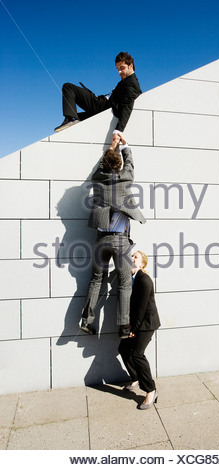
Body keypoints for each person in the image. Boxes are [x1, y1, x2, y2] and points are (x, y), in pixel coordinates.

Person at [80, 134, 146, 339]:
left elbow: (100, 169)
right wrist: (125, 145)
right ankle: (124, 328)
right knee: (125, 282)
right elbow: (130, 165)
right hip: (119, 241)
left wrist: (111, 147)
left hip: (100, 240)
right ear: (118, 167)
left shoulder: (98, 180)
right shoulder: (124, 179)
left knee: (95, 280)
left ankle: (86, 321)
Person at [54, 51, 142, 138]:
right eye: (118, 69)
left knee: (68, 87)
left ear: (131, 66)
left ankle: (72, 119)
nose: (119, 72)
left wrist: (118, 130)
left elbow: (127, 106)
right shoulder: (126, 81)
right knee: (78, 117)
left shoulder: (132, 83)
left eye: (122, 68)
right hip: (101, 103)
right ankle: (72, 120)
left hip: (102, 107)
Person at [118, 251, 161, 410]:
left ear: (142, 264)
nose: (132, 258)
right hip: (137, 322)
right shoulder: (132, 279)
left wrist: (133, 329)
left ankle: (151, 390)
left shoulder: (144, 280)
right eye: (131, 256)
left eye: (135, 257)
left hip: (146, 323)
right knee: (123, 348)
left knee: (137, 354)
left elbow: (141, 309)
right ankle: (135, 377)